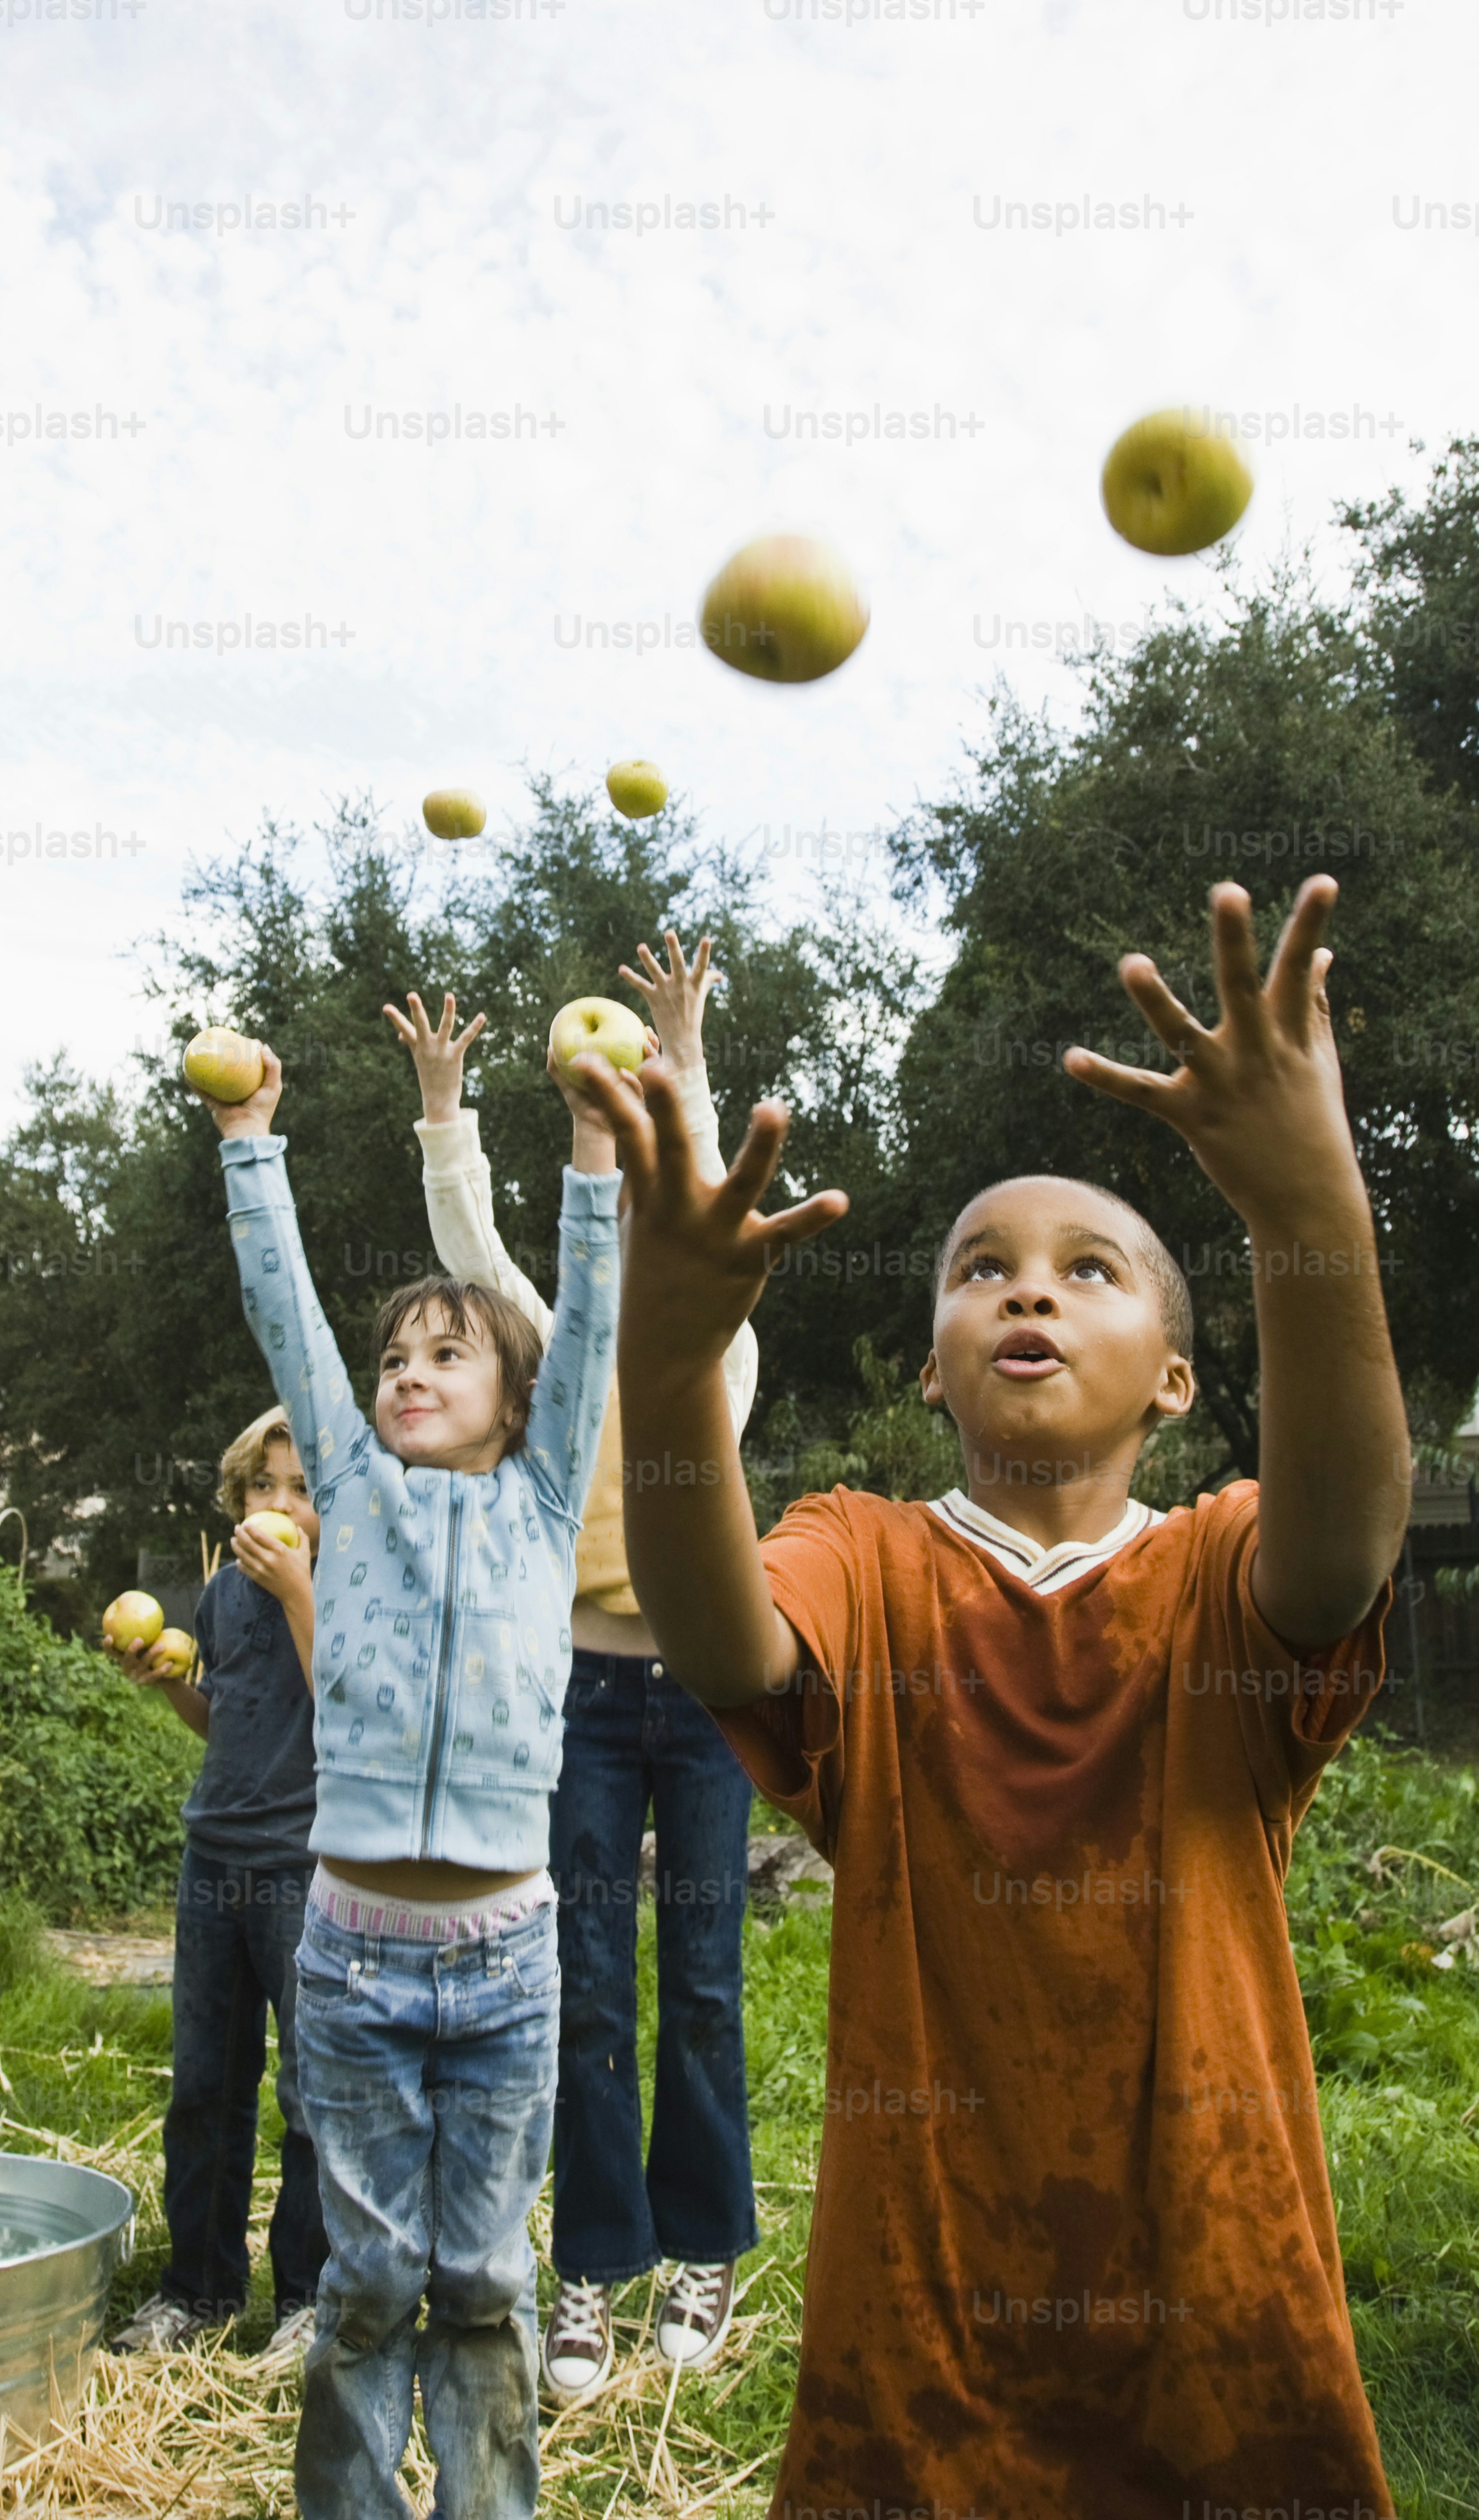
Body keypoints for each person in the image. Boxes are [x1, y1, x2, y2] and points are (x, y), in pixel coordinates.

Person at [580, 879, 1409, 2520]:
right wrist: (666, 1366)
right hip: (922, 2318)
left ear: (1178, 1376)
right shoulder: (863, 1555)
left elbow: (1346, 1548)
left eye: (1091, 1268)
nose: (1030, 1289)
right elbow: (719, 1640)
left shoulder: (1224, 1564)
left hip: (1215, 2299)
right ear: (933, 1358)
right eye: (984, 1270)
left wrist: (1314, 1211)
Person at [194, 1031, 622, 2520]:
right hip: (356, 1958)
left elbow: (596, 1331)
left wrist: (590, 1149)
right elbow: (285, 1314)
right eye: (395, 1358)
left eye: (449, 1353)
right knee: (370, 2276)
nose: (404, 1373)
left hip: (505, 1959)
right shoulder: (354, 1491)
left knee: (488, 2274)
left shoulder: (544, 1491)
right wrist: (252, 1136)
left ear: (514, 1395)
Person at [386, 931, 760, 2402]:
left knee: (706, 1980)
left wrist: (682, 1063)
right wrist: (445, 1111)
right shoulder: (549, 1346)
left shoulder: (720, 1357)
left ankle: (703, 2246)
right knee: (588, 1983)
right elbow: (473, 1247)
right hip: (586, 1702)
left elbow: (708, 1195)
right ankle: (594, 2274)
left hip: (714, 1694)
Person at [110, 1405, 329, 2367]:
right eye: (261, 1487)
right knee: (205, 2082)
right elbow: (227, 1719)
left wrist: (301, 1594)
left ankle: (310, 2296)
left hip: (309, 1864)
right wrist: (163, 1680)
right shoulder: (221, 1594)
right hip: (216, 1858)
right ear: (238, 1497)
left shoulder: (349, 1587)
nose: (279, 1505)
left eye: (303, 1488)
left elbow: (356, 1702)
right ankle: (196, 2289)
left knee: (314, 2094)